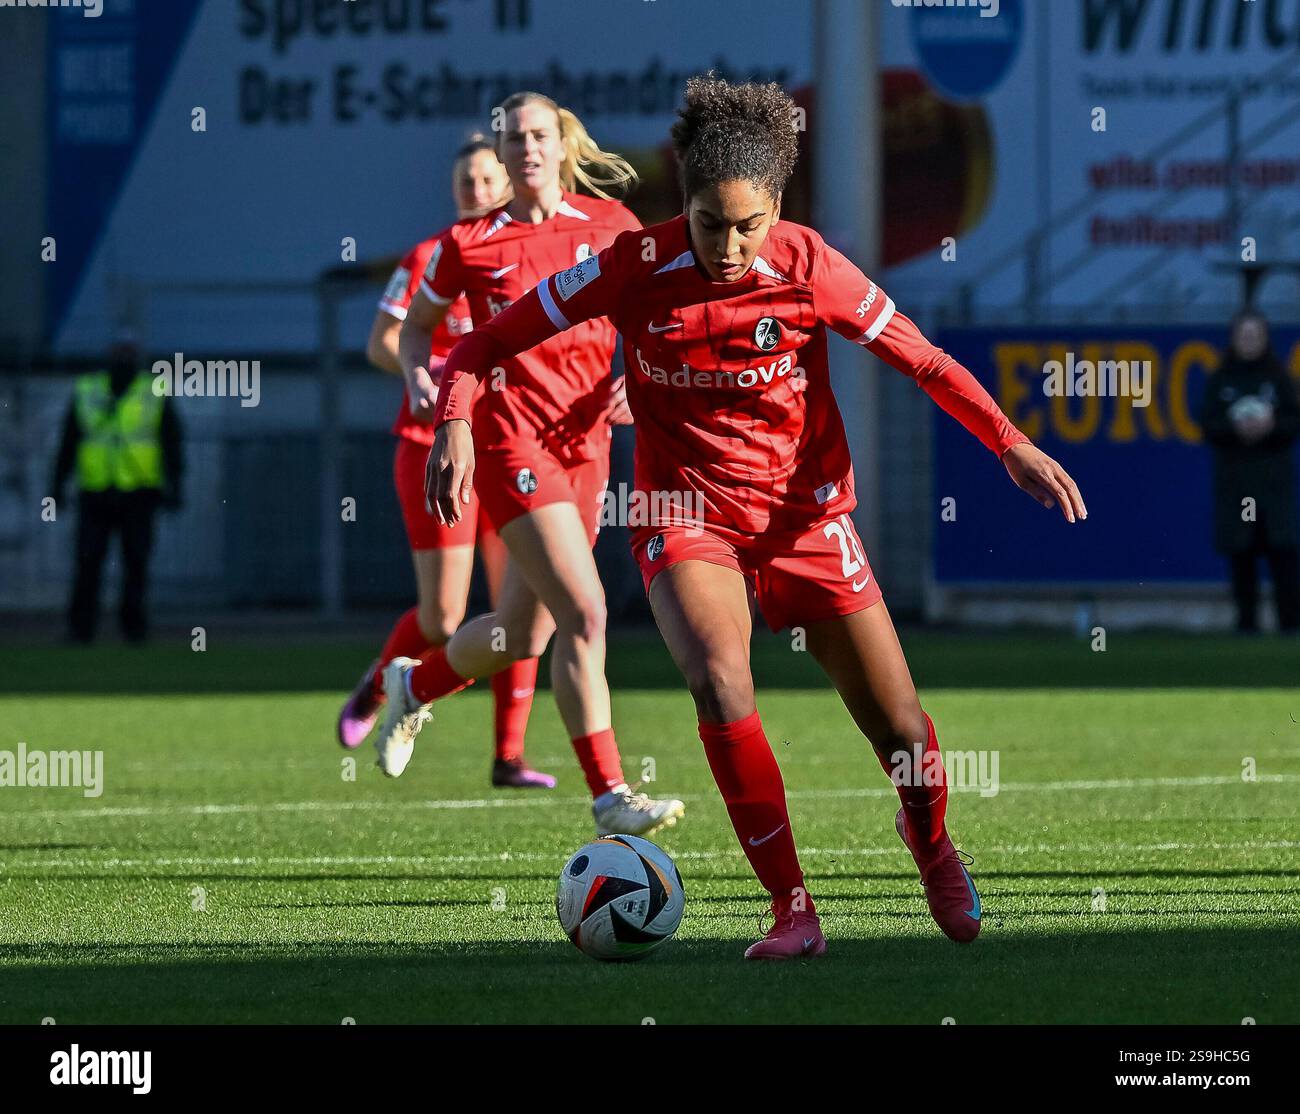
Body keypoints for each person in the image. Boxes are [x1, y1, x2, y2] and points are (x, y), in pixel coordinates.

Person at [426, 75, 1087, 959]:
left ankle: (929, 842)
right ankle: (792, 908)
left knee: (902, 732)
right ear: (684, 205)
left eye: (750, 224)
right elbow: (480, 344)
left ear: (778, 206)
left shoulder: (812, 266)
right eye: (710, 223)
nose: (730, 246)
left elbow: (921, 360)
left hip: (805, 517)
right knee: (720, 680)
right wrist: (454, 423)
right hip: (683, 512)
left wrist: (1008, 441)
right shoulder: (633, 265)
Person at [377, 91, 686, 837]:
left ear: (563, 142)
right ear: (501, 150)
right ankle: (611, 792)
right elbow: (416, 331)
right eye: (513, 138)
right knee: (586, 611)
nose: (527, 149)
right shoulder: (469, 243)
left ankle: (413, 684)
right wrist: (422, 377)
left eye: (539, 135)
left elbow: (657, 313)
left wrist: (636, 375)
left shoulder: (612, 226)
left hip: (587, 449)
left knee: (522, 634)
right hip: (509, 442)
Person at [337, 136, 556, 789]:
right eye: (466, 180)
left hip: (511, 443)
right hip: (433, 445)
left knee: (520, 602)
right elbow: (383, 343)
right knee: (442, 618)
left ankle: (509, 755)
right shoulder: (433, 254)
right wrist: (445, 370)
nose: (477, 189)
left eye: (488, 178)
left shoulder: (529, 253)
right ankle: (382, 686)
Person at [53, 332, 184, 643]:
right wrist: (57, 484)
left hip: (139, 491)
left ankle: (134, 629)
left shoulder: (154, 391)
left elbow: (171, 441)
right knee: (88, 561)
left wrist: (175, 484)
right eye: (119, 351)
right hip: (96, 490)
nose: (123, 358)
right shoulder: (88, 389)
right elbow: (69, 440)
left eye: (128, 352)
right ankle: (81, 629)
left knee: (136, 562)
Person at [1198, 311, 1300, 633]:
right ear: (1234, 338)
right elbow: (1208, 424)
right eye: (1244, 335)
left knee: (1283, 557)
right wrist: (1235, 428)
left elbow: (1293, 423)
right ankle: (1246, 629)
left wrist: (1270, 426)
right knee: (1242, 558)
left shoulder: (1280, 378)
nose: (1250, 341)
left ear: (1265, 339)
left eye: (1255, 335)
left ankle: (1290, 629)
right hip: (1236, 487)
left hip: (1274, 487)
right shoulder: (1222, 379)